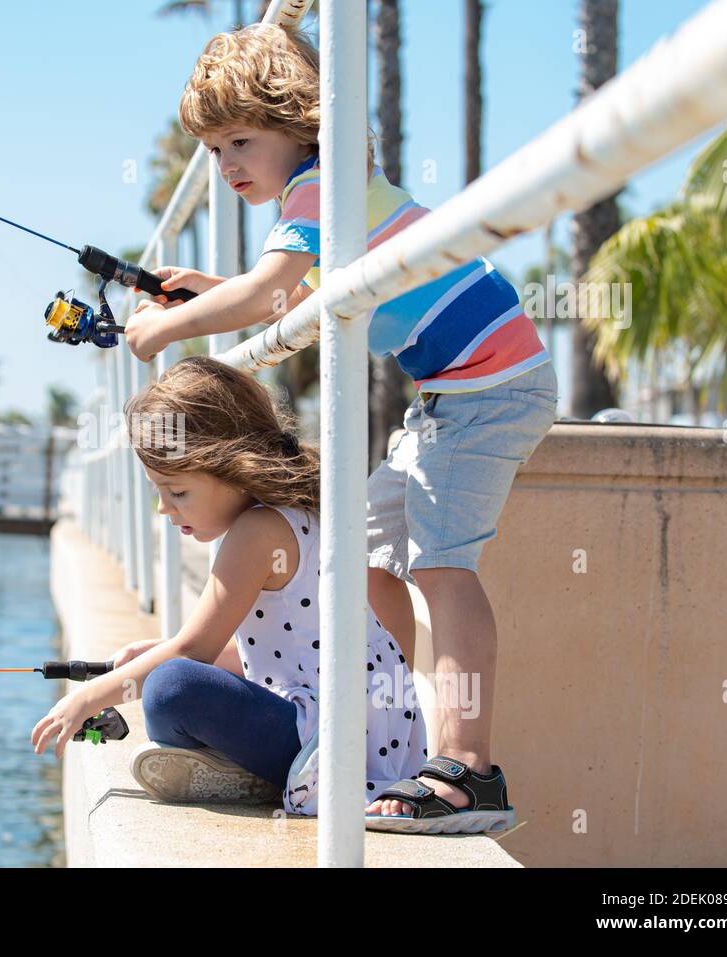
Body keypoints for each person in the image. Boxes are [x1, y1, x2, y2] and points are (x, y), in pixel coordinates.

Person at [123, 22, 552, 833]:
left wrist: (163, 331)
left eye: (240, 140)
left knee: (443, 567)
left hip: (489, 388)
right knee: (364, 547)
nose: (227, 167)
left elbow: (267, 296)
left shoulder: (321, 186)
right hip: (452, 394)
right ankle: (385, 731)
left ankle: (467, 770)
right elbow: (297, 294)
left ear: (298, 119)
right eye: (214, 152)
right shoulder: (333, 190)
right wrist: (215, 288)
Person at [31, 356, 426, 816]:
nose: (165, 509)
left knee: (172, 689)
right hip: (363, 730)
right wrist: (157, 652)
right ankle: (256, 767)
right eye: (159, 492)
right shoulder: (297, 514)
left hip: (332, 743)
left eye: (177, 492)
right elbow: (285, 650)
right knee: (167, 676)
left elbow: (192, 650)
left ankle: (261, 774)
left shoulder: (257, 532)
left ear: (232, 465)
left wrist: (88, 696)